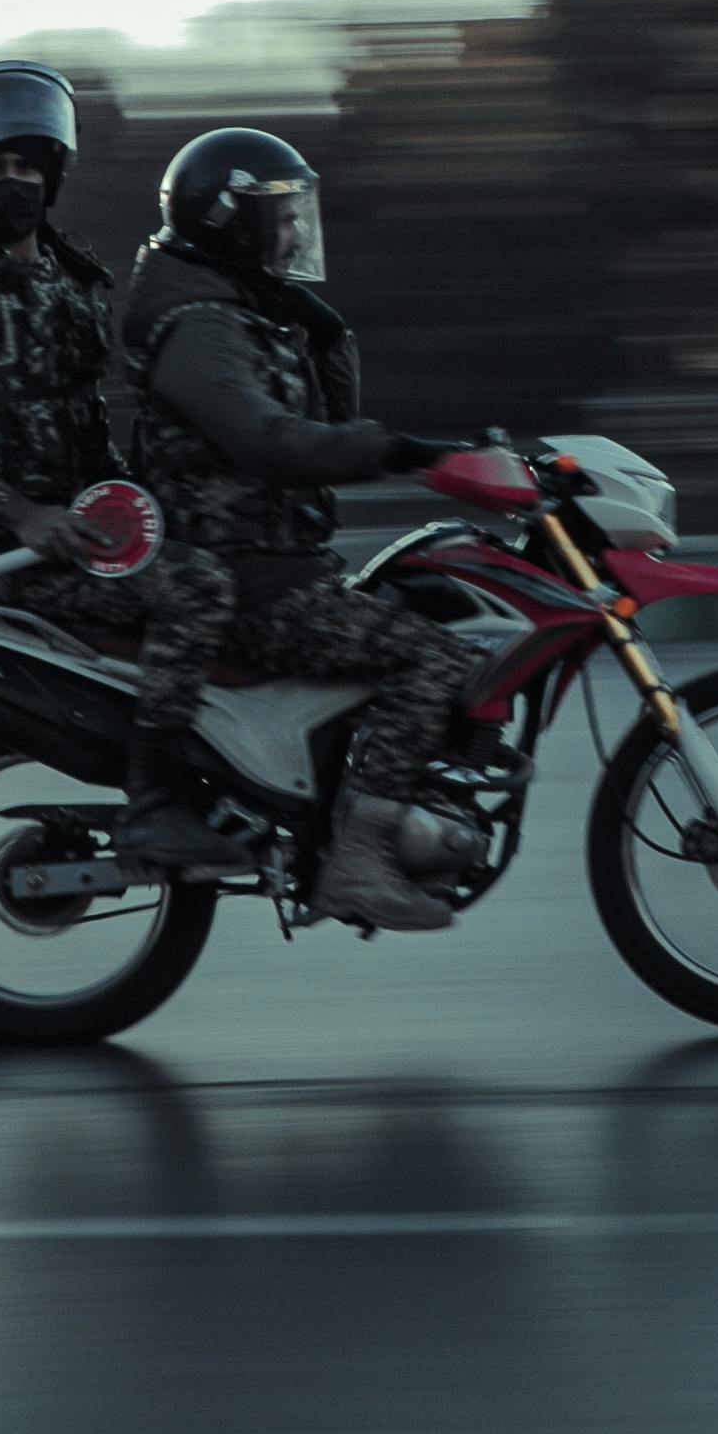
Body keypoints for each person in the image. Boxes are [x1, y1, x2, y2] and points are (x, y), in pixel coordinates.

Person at [0, 61, 246, 877]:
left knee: (230, 563)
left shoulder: (67, 287)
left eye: (29, 167)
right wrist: (22, 516)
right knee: (197, 591)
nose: (16, 183)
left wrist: (140, 505)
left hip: (70, 530)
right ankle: (155, 808)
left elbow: (86, 430)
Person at [119, 126, 483, 932]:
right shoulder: (199, 328)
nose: (292, 233)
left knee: (434, 604)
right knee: (433, 662)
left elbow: (325, 418)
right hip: (246, 576)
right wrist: (402, 452)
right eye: (277, 216)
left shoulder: (246, 316)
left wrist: (321, 330)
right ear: (229, 221)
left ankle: (369, 800)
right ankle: (356, 864)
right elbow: (272, 443)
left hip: (285, 561)